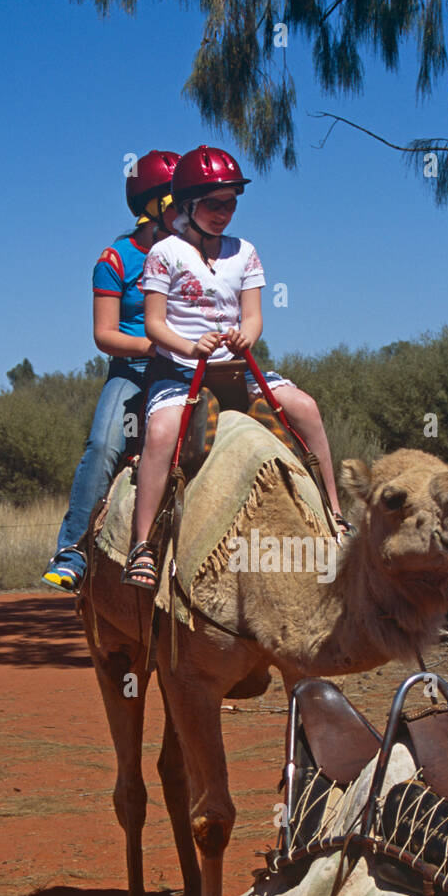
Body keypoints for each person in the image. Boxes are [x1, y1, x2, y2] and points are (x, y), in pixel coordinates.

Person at [121, 144, 348, 588]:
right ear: (187, 204)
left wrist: (248, 335)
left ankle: (335, 516)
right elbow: (153, 323)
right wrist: (189, 345)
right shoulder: (164, 253)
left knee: (305, 407)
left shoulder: (244, 252)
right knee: (164, 432)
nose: (224, 213)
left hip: (237, 368)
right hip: (180, 371)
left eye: (231, 203)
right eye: (213, 204)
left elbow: (254, 315)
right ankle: (142, 545)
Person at [41, 149, 181, 591]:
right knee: (103, 444)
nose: (190, 210)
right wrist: (157, 346)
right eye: (180, 200)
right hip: (135, 372)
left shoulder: (191, 255)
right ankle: (73, 550)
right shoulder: (115, 260)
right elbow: (104, 335)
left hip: (187, 372)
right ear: (154, 205)